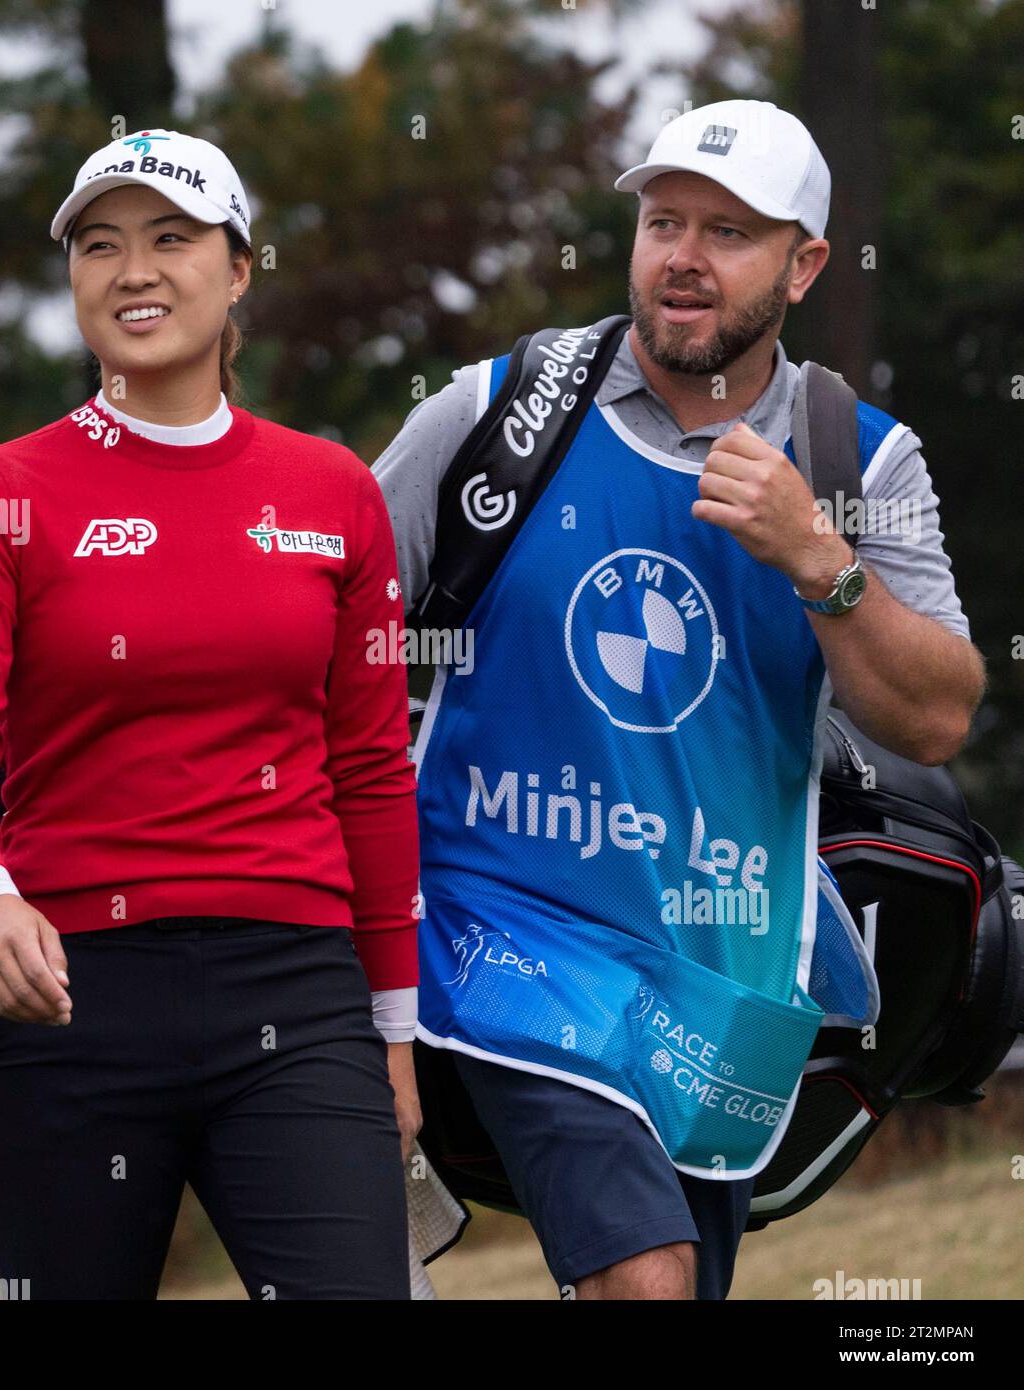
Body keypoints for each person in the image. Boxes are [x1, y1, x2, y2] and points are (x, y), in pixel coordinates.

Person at [371, 99, 985, 1300]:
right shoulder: (496, 414)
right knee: (642, 1277)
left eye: (728, 232)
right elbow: (314, 620)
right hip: (500, 931)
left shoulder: (862, 460)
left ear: (803, 264)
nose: (683, 257)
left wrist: (823, 564)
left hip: (720, 967)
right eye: (663, 222)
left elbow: (937, 715)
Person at [0, 128, 421, 1300]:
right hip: (67, 994)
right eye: (99, 244)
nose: (133, 269)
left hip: (297, 992)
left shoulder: (331, 489)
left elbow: (374, 771)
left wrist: (394, 1025)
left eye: (170, 239)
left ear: (238, 269)